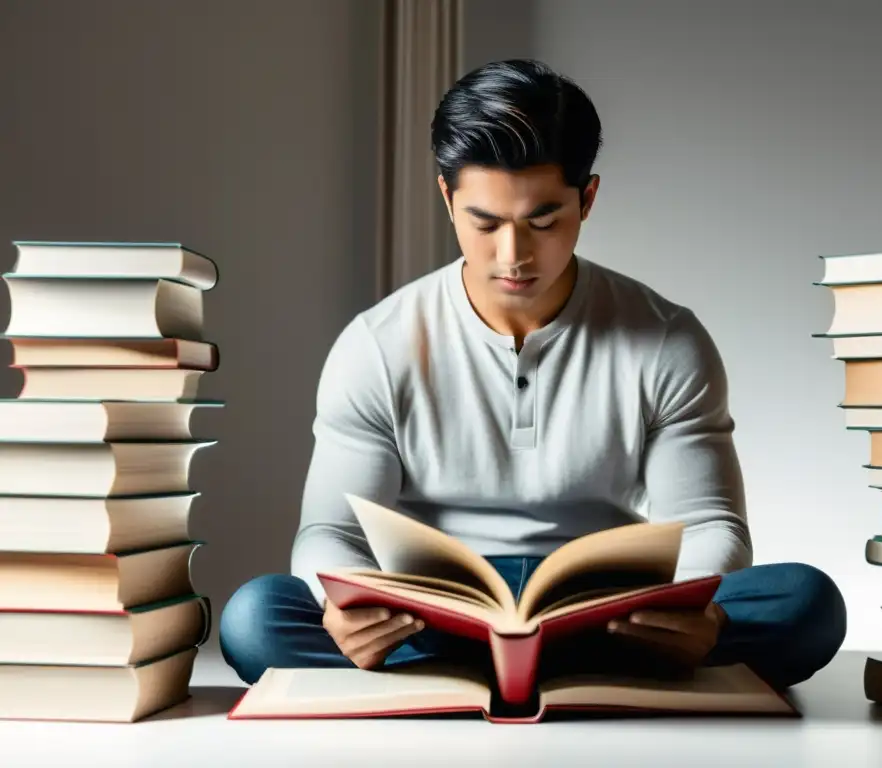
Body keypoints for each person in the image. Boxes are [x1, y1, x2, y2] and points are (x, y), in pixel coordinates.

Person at [220, 58, 846, 692]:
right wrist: (353, 610)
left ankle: (470, 678)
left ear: (588, 199)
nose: (513, 256)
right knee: (255, 618)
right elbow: (331, 530)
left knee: (807, 601)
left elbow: (712, 524)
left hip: (610, 615)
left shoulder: (665, 339)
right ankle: (558, 671)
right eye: (484, 223)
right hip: (434, 615)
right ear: (447, 197)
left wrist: (689, 608)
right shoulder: (376, 346)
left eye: (543, 222)